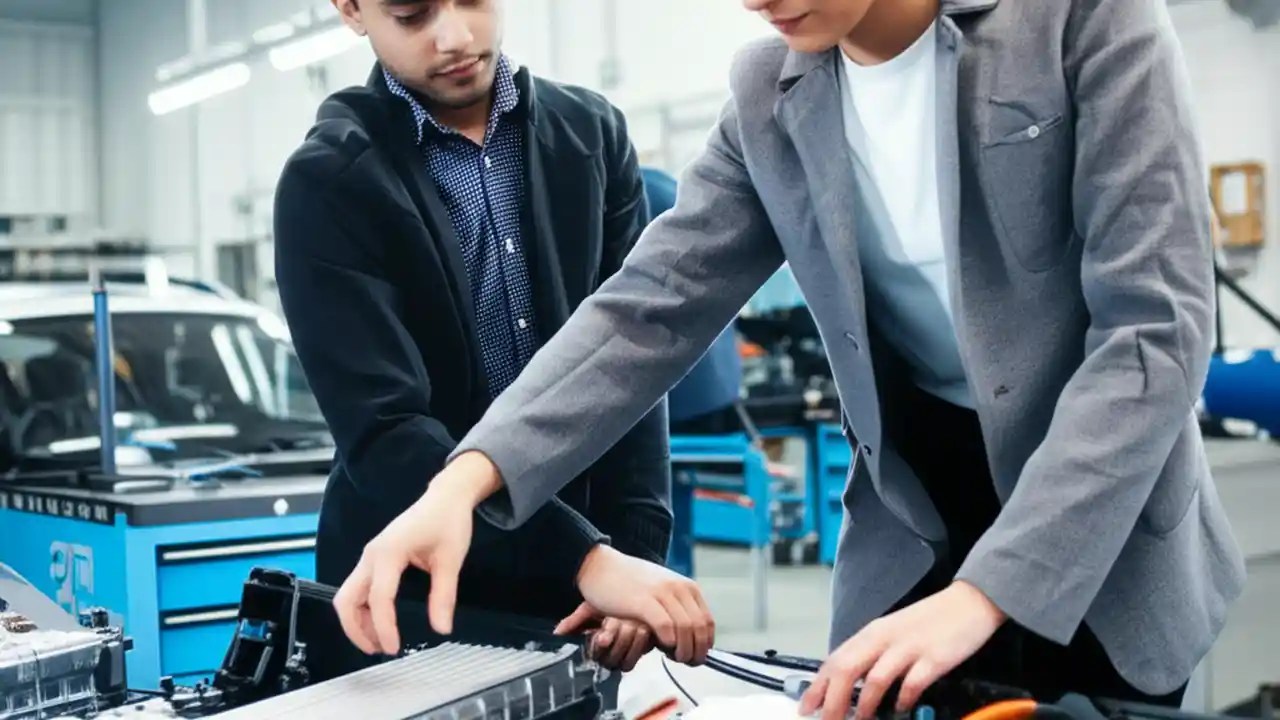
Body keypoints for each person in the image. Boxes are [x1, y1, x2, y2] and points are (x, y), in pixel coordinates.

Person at [334, 0, 1248, 717]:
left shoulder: (1084, 19)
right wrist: (463, 484)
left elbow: (1153, 332)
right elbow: (647, 309)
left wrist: (989, 592)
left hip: (1098, 521)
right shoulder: (770, 93)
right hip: (919, 523)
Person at [273, 0, 715, 673]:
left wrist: (633, 555)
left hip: (584, 595)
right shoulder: (328, 184)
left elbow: (630, 367)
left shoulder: (591, 136)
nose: (455, 36)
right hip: (415, 599)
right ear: (352, 10)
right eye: (413, 14)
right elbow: (386, 432)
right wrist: (588, 559)